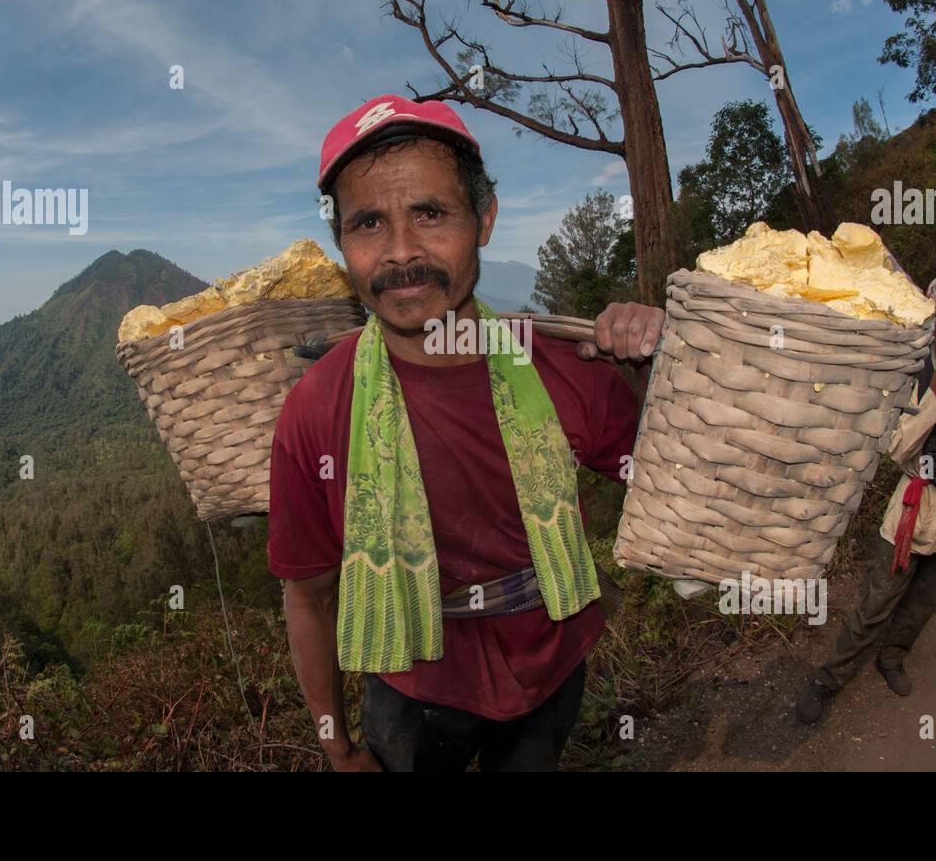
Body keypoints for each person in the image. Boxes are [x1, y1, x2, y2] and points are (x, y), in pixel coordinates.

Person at [266, 94, 664, 771]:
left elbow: (675, 489)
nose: (400, 253)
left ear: (484, 218)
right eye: (368, 222)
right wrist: (336, 745)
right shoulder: (317, 407)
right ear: (342, 245)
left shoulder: (565, 370)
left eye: (430, 213)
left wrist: (667, 371)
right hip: (410, 687)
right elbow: (309, 592)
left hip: (551, 666)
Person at [796, 275, 936, 723]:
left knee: (923, 603)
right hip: (913, 512)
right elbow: (896, 448)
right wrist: (934, 394)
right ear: (930, 329)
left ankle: (892, 658)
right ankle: (827, 679)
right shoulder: (911, 375)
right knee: (876, 604)